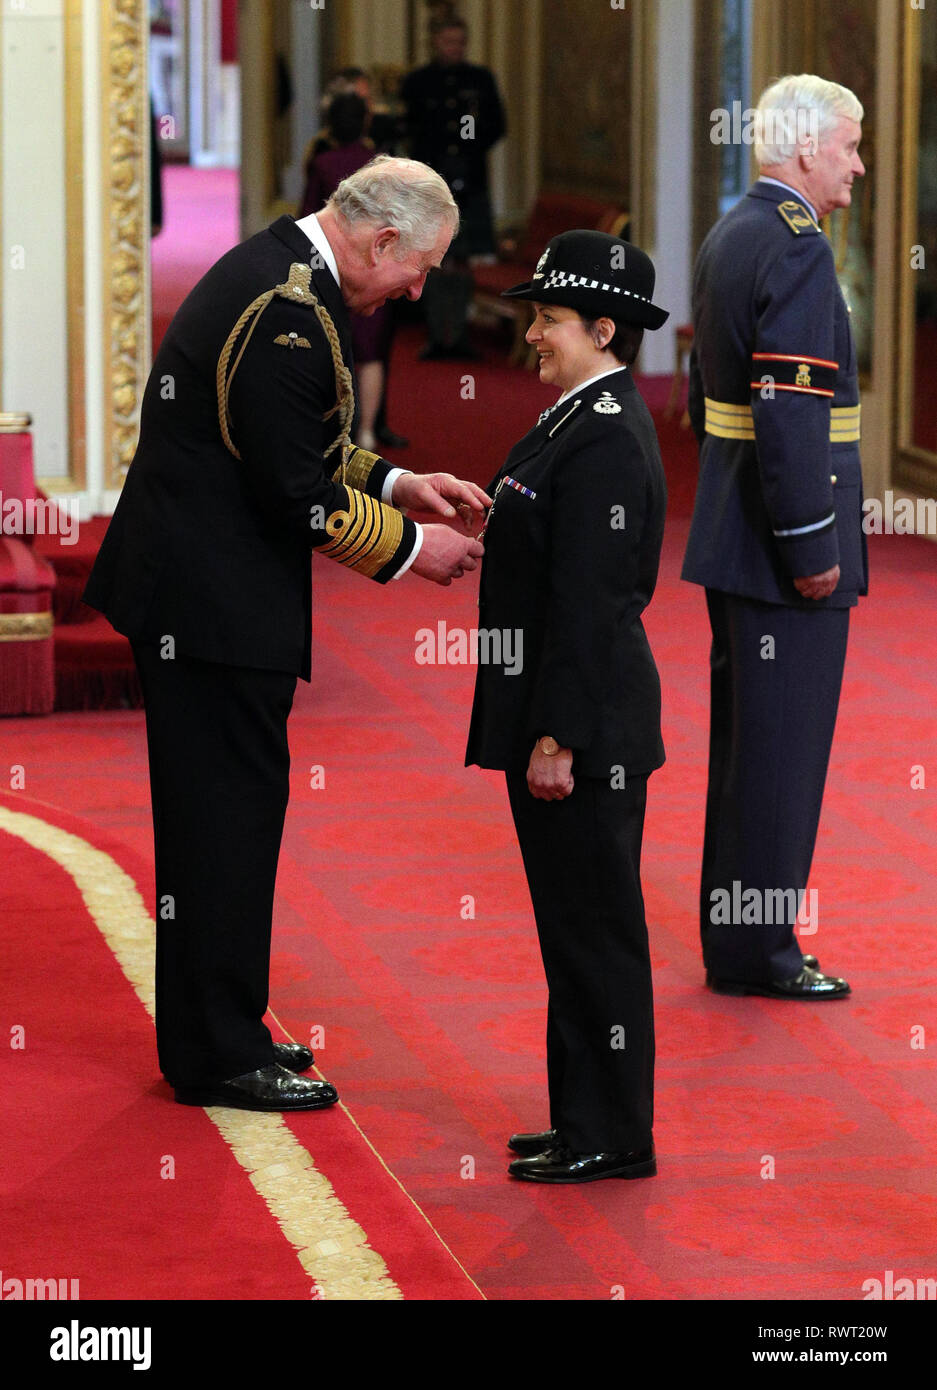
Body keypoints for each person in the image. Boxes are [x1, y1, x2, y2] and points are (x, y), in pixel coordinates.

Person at [84, 156, 489, 1112]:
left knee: (231, 819)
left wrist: (398, 482)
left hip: (209, 600)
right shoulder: (287, 312)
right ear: (381, 240)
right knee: (221, 828)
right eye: (420, 267)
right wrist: (411, 550)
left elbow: (296, 435)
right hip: (207, 612)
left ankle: (225, 1026)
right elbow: (294, 491)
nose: (418, 290)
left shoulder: (289, 273)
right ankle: (217, 1053)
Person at [465, 230, 669, 1183]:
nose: (533, 333)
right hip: (564, 714)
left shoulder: (606, 437)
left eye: (548, 318)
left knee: (595, 934)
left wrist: (556, 737)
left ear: (603, 328)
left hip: (586, 730)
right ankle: (579, 1115)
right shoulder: (576, 417)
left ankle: (613, 1134)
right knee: (571, 929)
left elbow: (590, 606)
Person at [682, 74, 867, 1000]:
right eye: (848, 147)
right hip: (780, 540)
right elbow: (789, 414)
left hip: (734, 526)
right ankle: (760, 952)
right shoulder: (795, 247)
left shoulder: (734, 229)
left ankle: (737, 942)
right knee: (780, 761)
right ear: (804, 149)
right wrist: (810, 544)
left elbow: (701, 391)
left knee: (747, 754)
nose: (857, 166)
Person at [400, 13, 506, 358]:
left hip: (470, 181)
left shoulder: (480, 79)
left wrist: (469, 144)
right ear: (434, 42)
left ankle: (458, 335)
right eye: (448, 42)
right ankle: (436, 336)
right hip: (431, 181)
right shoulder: (418, 82)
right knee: (433, 257)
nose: (454, 48)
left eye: (460, 42)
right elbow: (408, 128)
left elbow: (497, 125)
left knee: (462, 260)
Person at [300, 94, 396, 453]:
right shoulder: (381, 165)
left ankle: (334, 433)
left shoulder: (323, 163)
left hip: (334, 272)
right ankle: (367, 432)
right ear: (365, 123)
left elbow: (308, 218)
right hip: (377, 268)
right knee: (370, 354)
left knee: (331, 351)